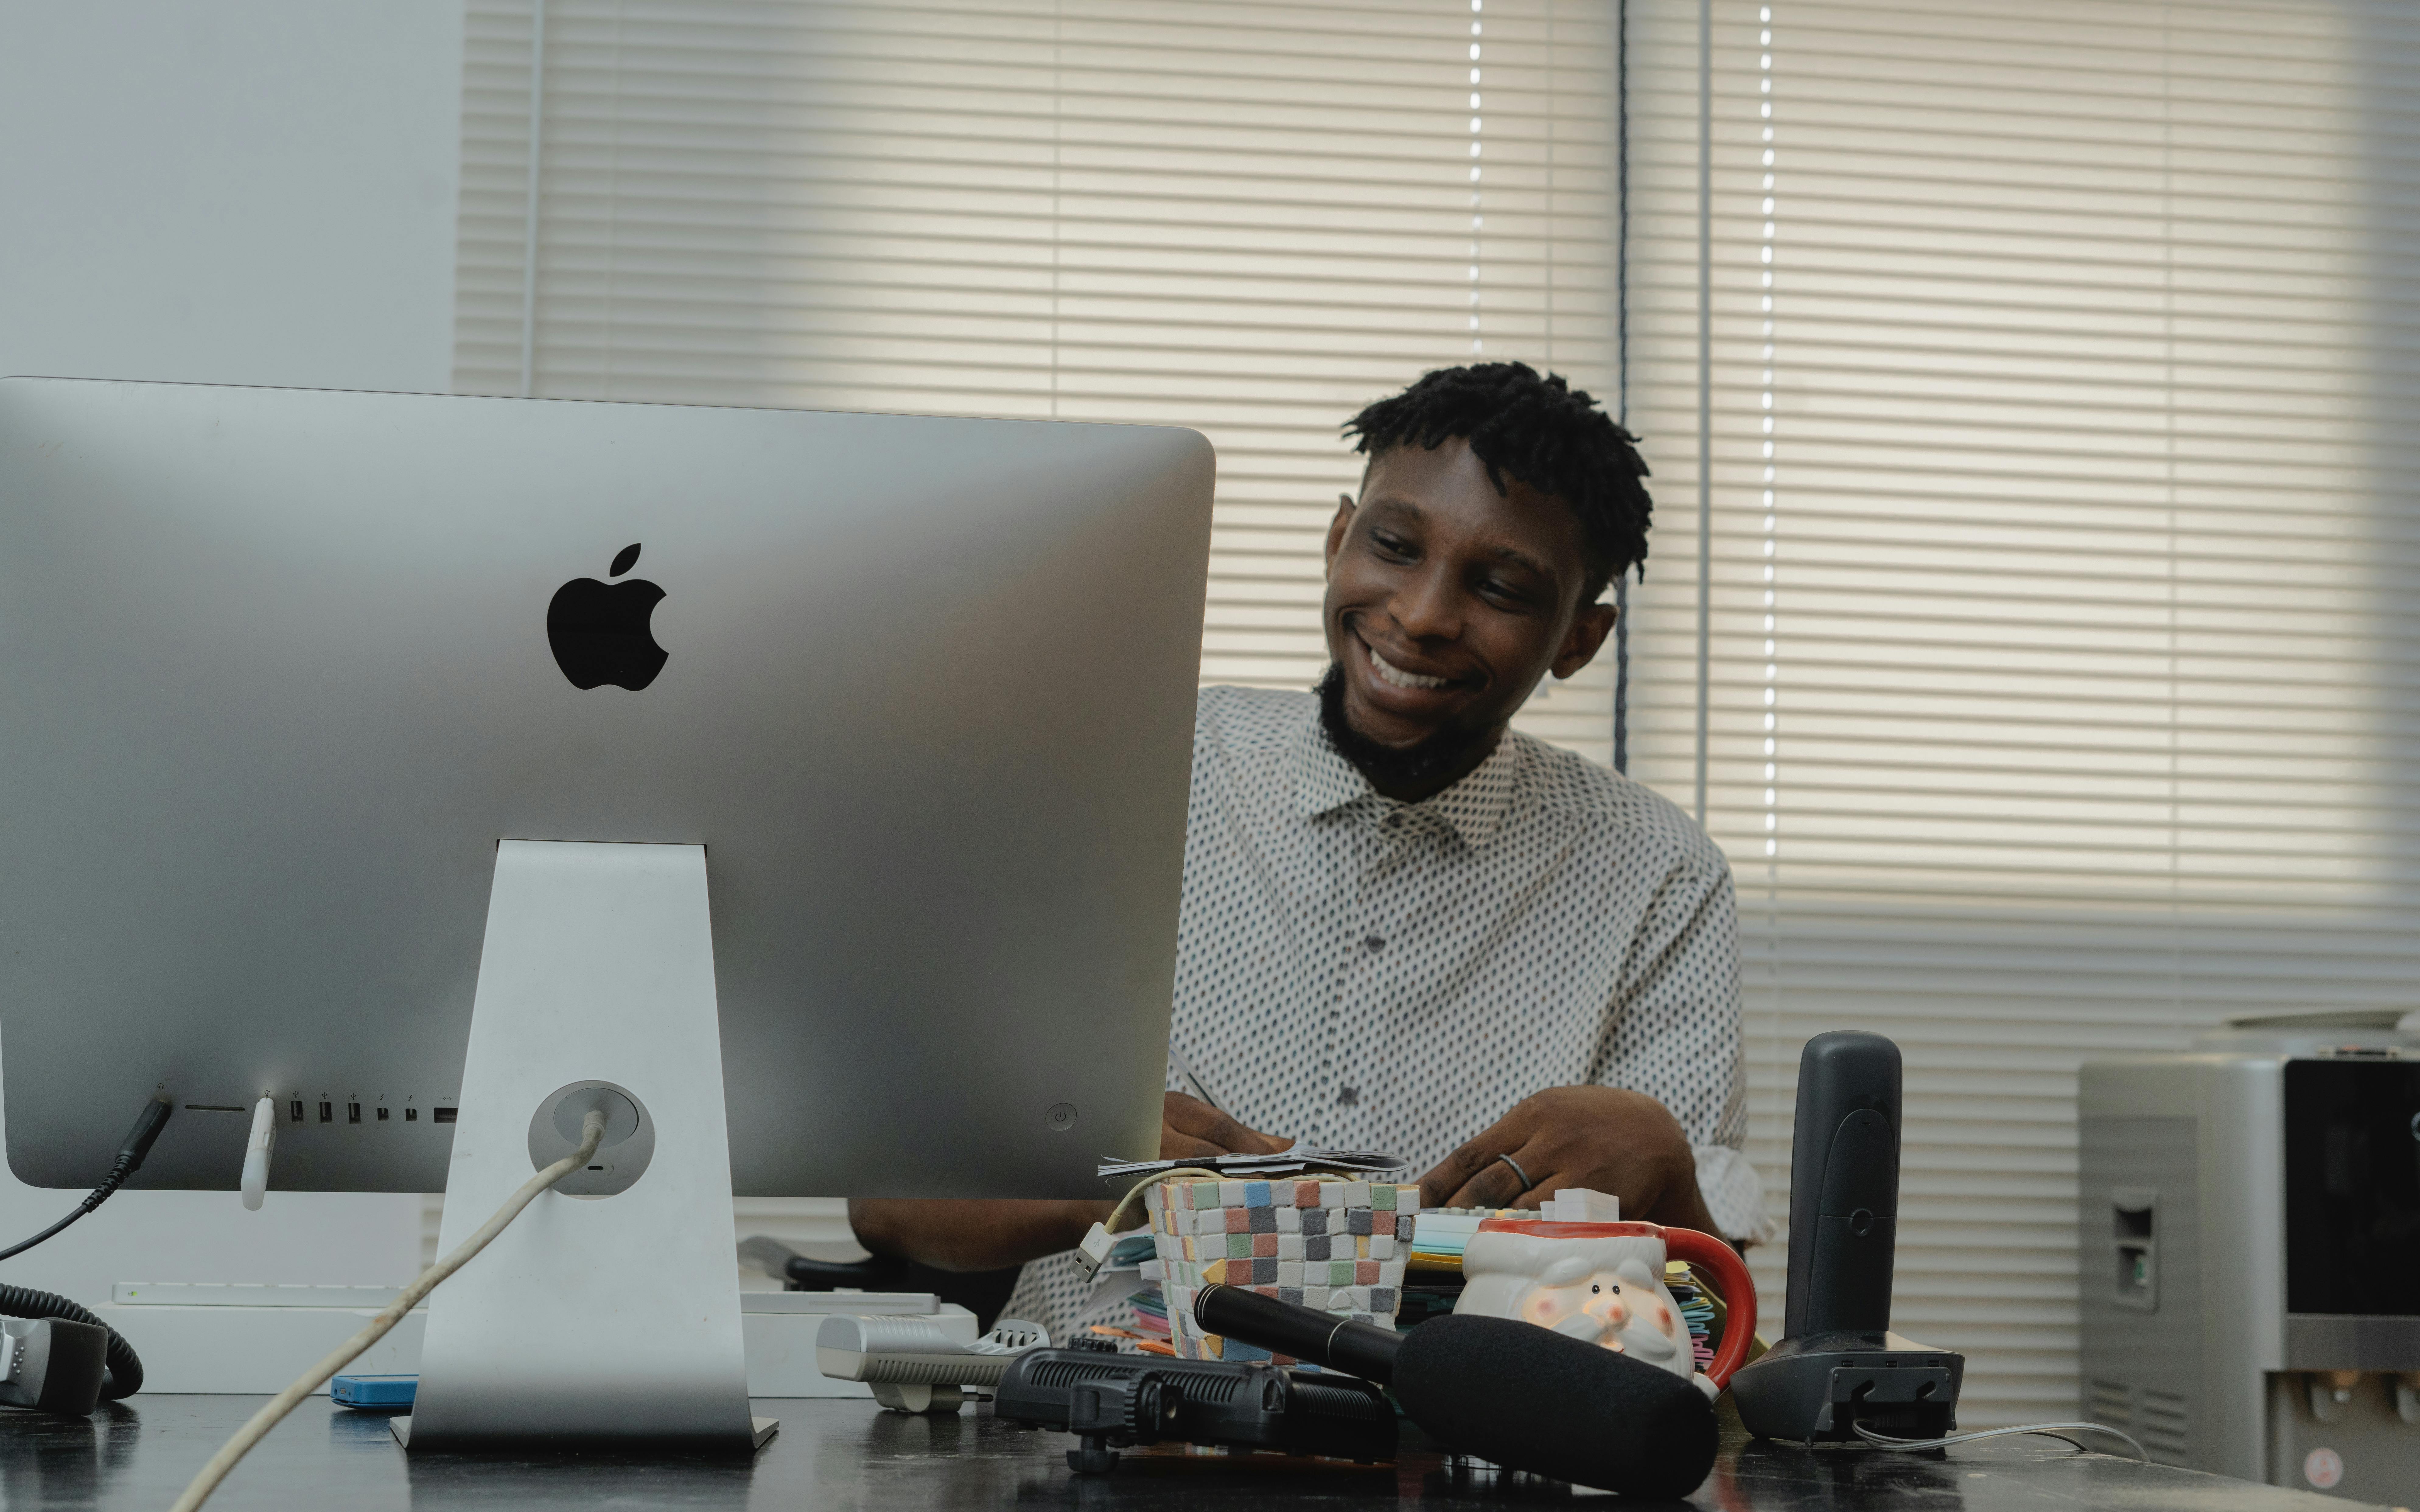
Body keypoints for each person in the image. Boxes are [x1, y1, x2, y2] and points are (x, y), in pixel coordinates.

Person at [849, 362, 1763, 1343]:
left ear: (1579, 639)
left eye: (1499, 587)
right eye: (1394, 546)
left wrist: (1668, 1172)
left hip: (1453, 1454)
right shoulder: (1125, 767)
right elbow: (888, 1205)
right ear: (1339, 540)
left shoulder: (1661, 876)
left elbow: (1709, 1327)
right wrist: (1091, 1179)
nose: (1420, 614)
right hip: (1089, 1433)